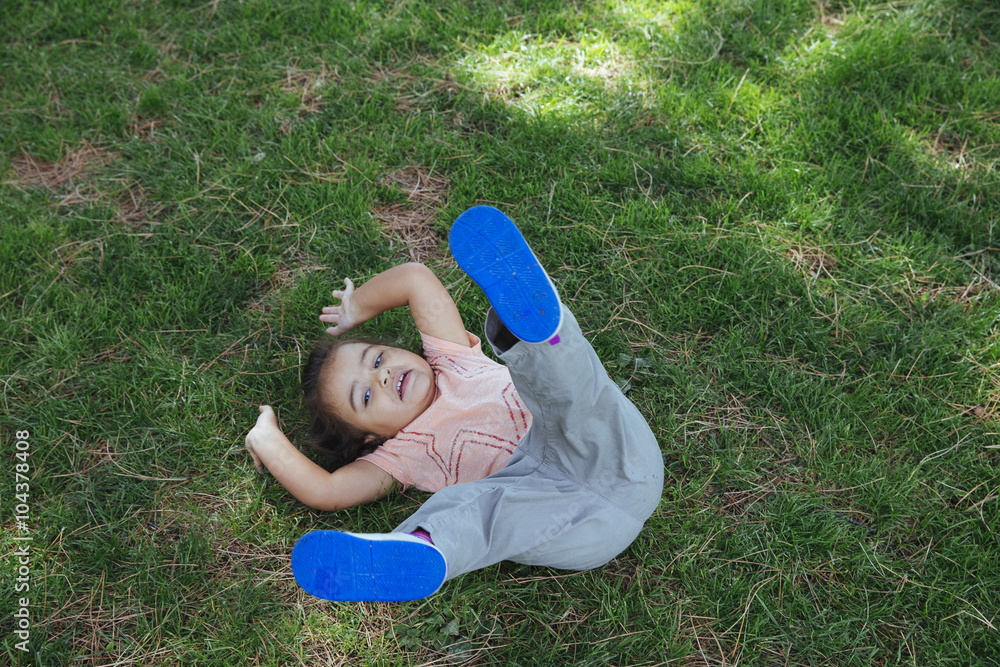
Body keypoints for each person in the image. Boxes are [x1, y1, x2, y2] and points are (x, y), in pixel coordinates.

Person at [245, 205, 664, 601]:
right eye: (367, 396)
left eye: (377, 359)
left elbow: (415, 279)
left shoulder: (452, 360)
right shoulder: (396, 458)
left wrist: (357, 305)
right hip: (565, 520)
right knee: (486, 514)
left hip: (618, 454)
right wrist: (268, 440)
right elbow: (326, 490)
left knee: (574, 395)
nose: (382, 376)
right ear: (371, 437)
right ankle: (423, 547)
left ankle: (540, 333)